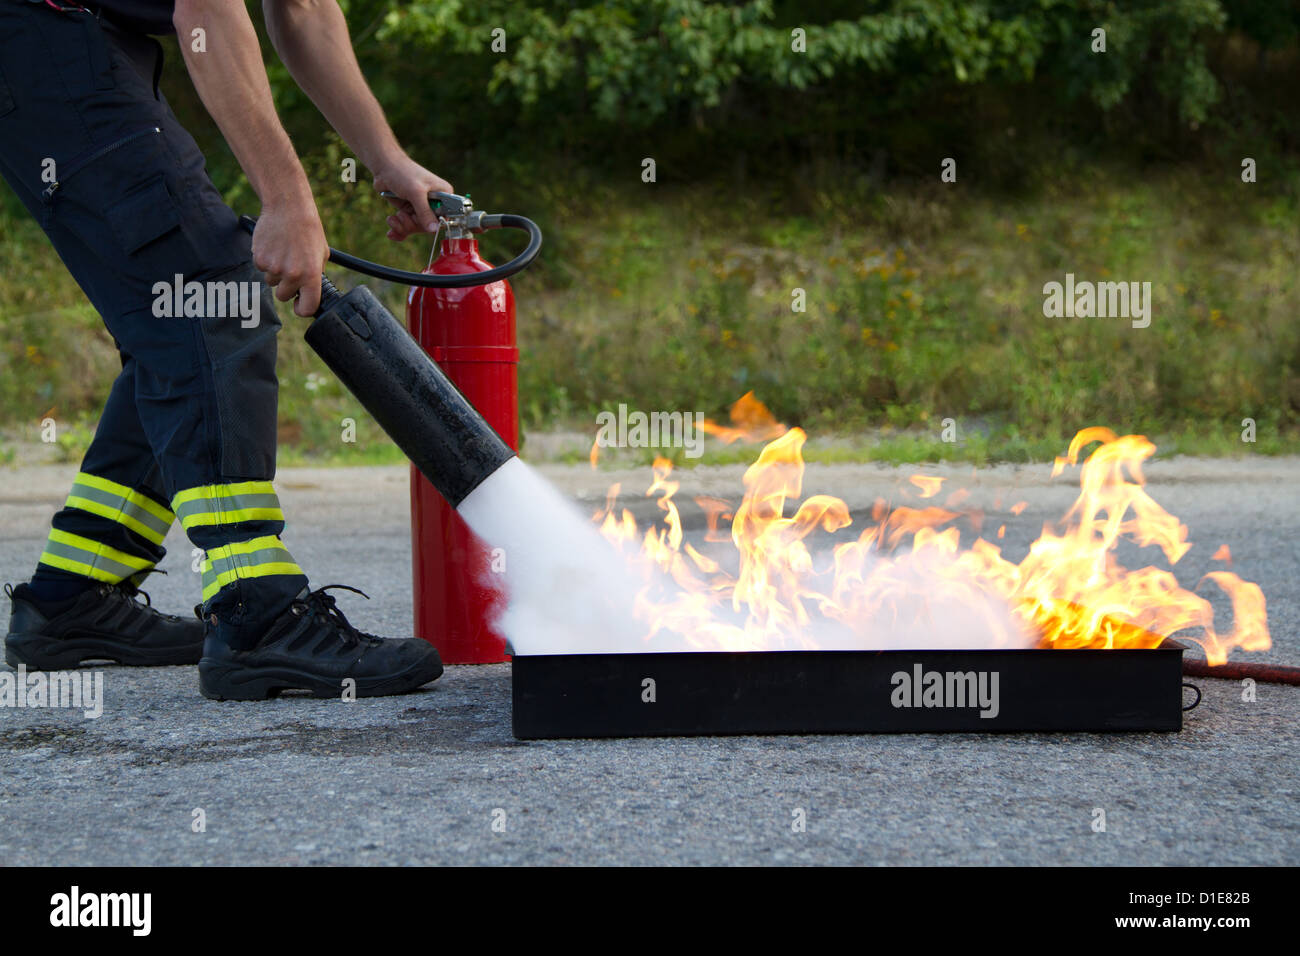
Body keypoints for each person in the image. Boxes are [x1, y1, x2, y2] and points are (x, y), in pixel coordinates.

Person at [0, 0, 448, 699]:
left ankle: (73, 595)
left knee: (174, 318)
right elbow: (204, 10)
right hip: (43, 37)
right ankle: (258, 616)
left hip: (82, 43)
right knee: (205, 291)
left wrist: (386, 158)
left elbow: (301, 9)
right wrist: (288, 199)